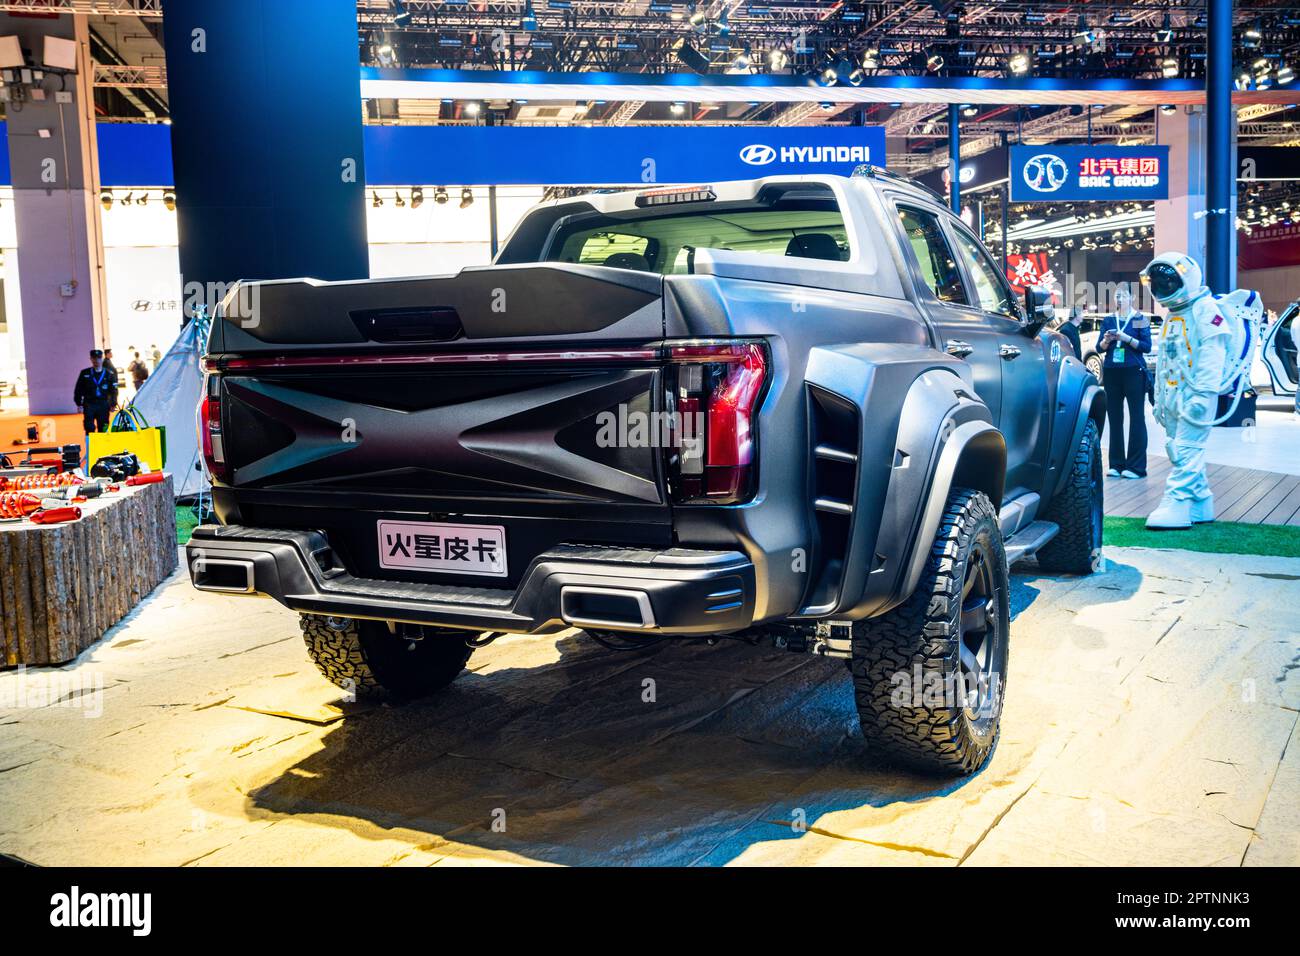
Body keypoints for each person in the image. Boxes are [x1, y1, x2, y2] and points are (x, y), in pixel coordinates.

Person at [1142, 252, 1231, 530]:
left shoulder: (1205, 310)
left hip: (1195, 395)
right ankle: (1201, 501)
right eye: (1157, 282)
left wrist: (1203, 394)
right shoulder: (1173, 316)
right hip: (1172, 395)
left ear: (1186, 278)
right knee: (1177, 448)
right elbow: (1165, 361)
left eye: (1168, 282)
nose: (1162, 288)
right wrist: (1158, 398)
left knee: (1186, 448)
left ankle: (1177, 502)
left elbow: (1212, 355)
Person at [1096, 287, 1150, 479]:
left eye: (1123, 296)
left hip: (1134, 372)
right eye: (1117, 296)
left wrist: (1126, 338)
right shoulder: (1109, 319)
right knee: (1114, 418)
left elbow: (1146, 346)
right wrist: (1106, 340)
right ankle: (1116, 464)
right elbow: (1099, 348)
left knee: (1136, 417)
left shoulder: (1139, 318)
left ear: (1132, 297)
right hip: (1112, 372)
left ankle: (1136, 467)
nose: (1119, 299)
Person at [73, 348, 118, 435]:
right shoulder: (84, 373)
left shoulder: (109, 374)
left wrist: (113, 403)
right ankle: (90, 447)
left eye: (98, 358)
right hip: (89, 404)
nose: (96, 360)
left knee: (103, 428)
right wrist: (79, 404)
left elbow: (113, 391)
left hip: (103, 405)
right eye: (94, 358)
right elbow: (78, 389)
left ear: (102, 358)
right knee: (89, 428)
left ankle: (103, 448)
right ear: (90, 359)